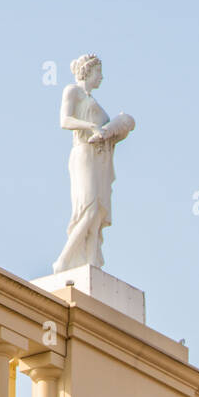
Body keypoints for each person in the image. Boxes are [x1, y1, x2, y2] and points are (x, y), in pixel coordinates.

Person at [53, 55, 135, 274]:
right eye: (99, 72)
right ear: (88, 72)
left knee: (98, 210)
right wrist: (90, 127)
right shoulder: (73, 91)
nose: (102, 77)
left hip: (99, 156)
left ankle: (91, 262)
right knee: (88, 208)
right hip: (83, 153)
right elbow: (65, 120)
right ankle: (63, 260)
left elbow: (111, 129)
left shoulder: (93, 100)